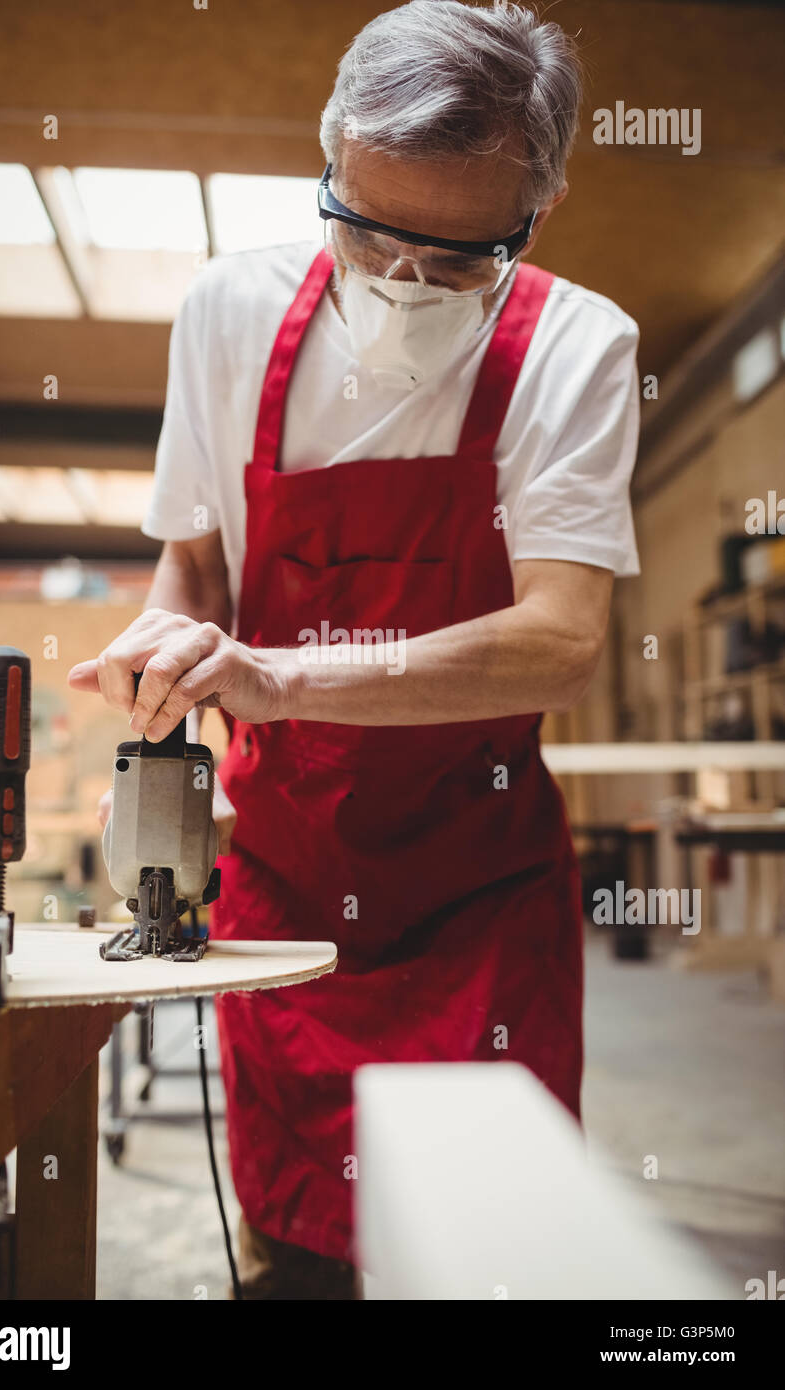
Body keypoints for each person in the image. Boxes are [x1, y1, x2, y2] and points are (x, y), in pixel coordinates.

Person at [69, 0, 640, 1300]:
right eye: (362, 225)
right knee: (299, 1261)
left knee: (490, 1258)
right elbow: (197, 566)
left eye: (450, 257)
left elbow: (561, 643)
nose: (394, 275)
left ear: (532, 216)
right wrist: (170, 644)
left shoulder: (573, 349)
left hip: (477, 899)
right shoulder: (224, 313)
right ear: (327, 155)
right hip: (283, 890)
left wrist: (277, 677)